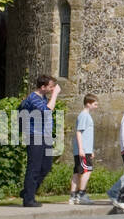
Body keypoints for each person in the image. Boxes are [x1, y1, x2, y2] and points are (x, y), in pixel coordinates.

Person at [18, 75, 60, 207]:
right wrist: (55, 95)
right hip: (35, 136)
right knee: (34, 167)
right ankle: (28, 199)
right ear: (43, 87)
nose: (53, 88)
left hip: (45, 136)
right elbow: (47, 111)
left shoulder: (42, 97)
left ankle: (27, 191)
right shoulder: (33, 98)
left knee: (46, 166)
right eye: (51, 86)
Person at [70, 94, 98, 204]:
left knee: (78, 171)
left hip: (85, 149)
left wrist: (90, 150)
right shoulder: (84, 115)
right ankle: (81, 194)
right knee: (87, 171)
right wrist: (82, 149)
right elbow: (79, 132)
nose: (96, 106)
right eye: (95, 104)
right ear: (88, 104)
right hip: (83, 150)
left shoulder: (85, 115)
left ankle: (73, 196)